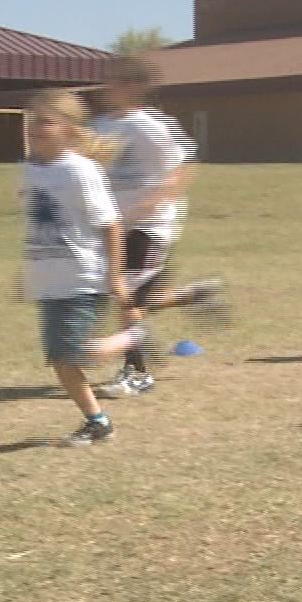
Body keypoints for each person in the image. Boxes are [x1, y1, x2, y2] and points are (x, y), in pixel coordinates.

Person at [21, 90, 156, 446]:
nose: (35, 127)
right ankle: (97, 422)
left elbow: (111, 225)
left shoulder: (81, 171)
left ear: (67, 129)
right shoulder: (27, 170)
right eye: (32, 118)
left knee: (73, 354)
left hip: (82, 279)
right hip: (49, 281)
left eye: (45, 121)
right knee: (60, 361)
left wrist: (114, 277)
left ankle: (135, 337)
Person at [88, 57, 225, 399]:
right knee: (127, 297)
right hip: (115, 227)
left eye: (116, 81)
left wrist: (160, 197)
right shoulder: (101, 124)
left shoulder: (151, 124)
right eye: (107, 80)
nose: (108, 86)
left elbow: (185, 164)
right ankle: (196, 295)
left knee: (128, 300)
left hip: (150, 227)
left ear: (135, 86)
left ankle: (137, 373)